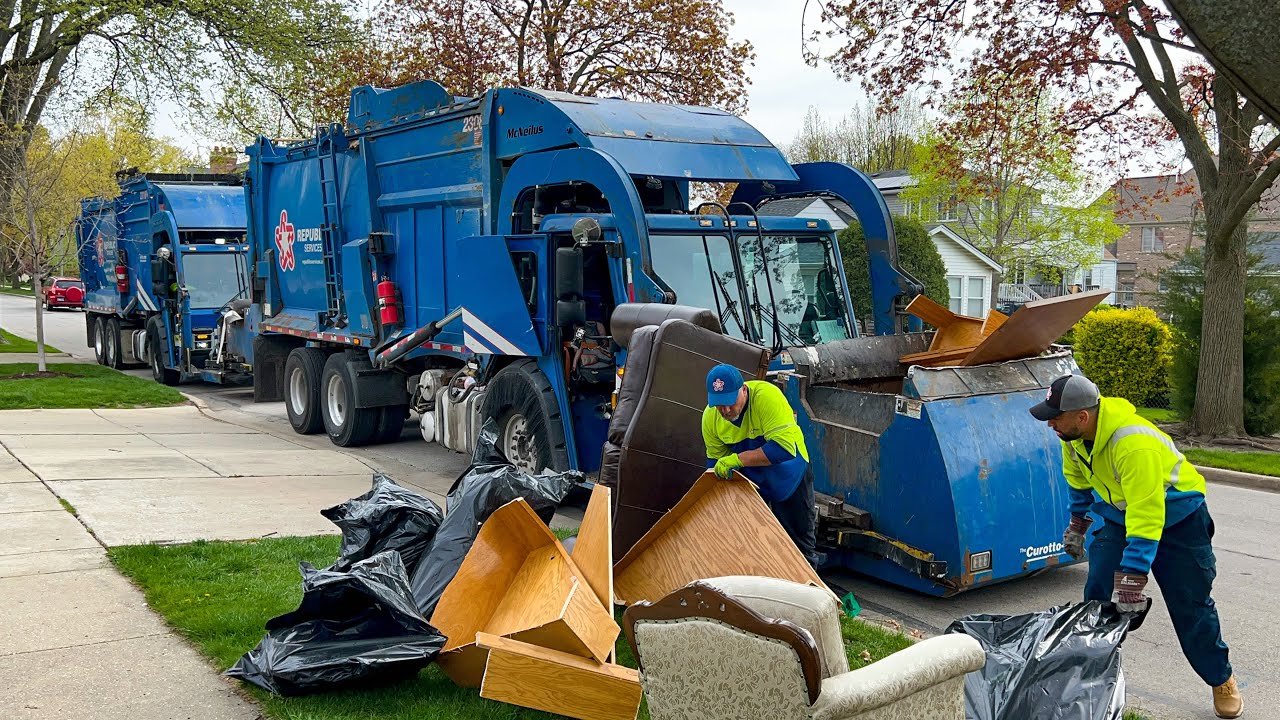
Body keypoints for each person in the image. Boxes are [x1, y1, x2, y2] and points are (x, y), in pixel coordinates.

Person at [1030, 374, 1243, 719]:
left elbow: (1148, 512)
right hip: (1121, 513)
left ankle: (1221, 678)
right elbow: (1079, 482)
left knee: (1191, 605)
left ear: (1082, 416)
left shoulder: (1132, 443)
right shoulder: (1071, 437)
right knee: (1098, 595)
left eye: (1055, 416)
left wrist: (1132, 578)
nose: (1050, 422)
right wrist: (1078, 524)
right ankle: (1090, 681)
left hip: (1178, 519)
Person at [701, 363, 819, 566]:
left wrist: (737, 459)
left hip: (789, 475)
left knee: (798, 549)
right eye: (719, 404)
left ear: (744, 390)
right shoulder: (710, 418)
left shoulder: (767, 397)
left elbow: (783, 449)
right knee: (755, 546)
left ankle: (811, 592)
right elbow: (716, 467)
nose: (726, 410)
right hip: (753, 483)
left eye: (730, 401)